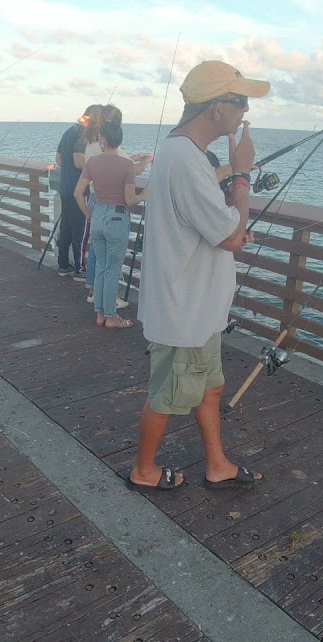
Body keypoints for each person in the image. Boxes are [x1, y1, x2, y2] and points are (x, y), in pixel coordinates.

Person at [128, 60, 269, 492]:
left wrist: (228, 194)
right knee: (169, 395)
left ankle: (218, 464)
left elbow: (211, 219)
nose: (245, 110)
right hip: (184, 310)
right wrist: (242, 171)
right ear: (216, 109)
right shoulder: (186, 159)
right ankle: (143, 472)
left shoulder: (183, 153)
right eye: (240, 101)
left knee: (210, 389)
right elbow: (232, 237)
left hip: (200, 308)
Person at [73, 108, 145, 329]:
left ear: (103, 140)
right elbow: (131, 200)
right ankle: (111, 315)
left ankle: (100, 313)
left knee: (102, 267)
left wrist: (89, 214)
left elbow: (78, 193)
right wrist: (147, 194)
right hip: (117, 218)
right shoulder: (128, 165)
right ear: (120, 140)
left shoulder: (92, 163)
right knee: (113, 269)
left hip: (98, 215)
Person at [53, 105, 101, 278]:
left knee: (66, 228)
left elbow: (58, 159)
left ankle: (63, 264)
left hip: (65, 187)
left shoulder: (69, 131)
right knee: (81, 231)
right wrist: (100, 165)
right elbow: (79, 161)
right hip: (80, 190)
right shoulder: (83, 134)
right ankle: (80, 269)